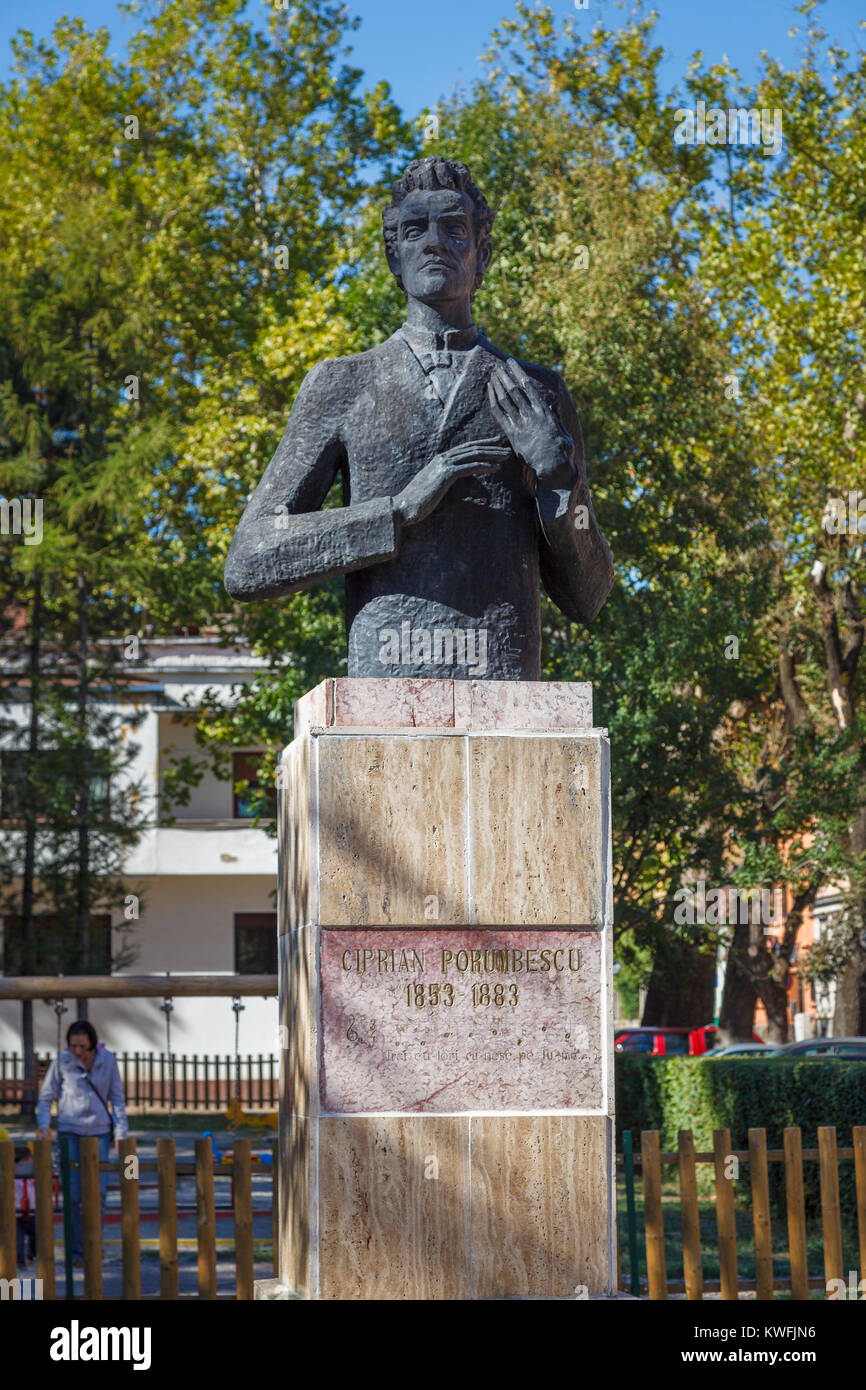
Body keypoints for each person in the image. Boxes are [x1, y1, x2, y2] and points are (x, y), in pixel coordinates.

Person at [224, 156, 614, 681]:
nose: (434, 243)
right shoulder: (341, 383)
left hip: (503, 685)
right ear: (395, 256)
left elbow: (588, 594)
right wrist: (397, 513)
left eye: (454, 228)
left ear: (483, 255)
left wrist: (558, 477)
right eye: (415, 230)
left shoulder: (538, 392)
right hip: (385, 678)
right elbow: (249, 561)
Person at [36, 1020, 128, 1266]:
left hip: (99, 1132)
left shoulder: (108, 1061)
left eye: (82, 1047)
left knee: (98, 1195)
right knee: (75, 1196)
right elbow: (45, 1097)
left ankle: (94, 1247)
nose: (77, 1051)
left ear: (93, 1044)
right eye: (73, 1046)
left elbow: (117, 1099)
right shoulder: (62, 1061)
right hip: (70, 1132)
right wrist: (43, 1126)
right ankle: (77, 1252)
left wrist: (120, 1135)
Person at [14, 1144, 36, 1268]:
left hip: (33, 1213)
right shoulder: (11, 1179)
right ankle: (20, 1262)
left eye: (29, 1161)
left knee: (36, 1239)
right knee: (18, 1241)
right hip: (17, 1214)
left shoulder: (33, 1177)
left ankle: (31, 1255)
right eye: (23, 1163)